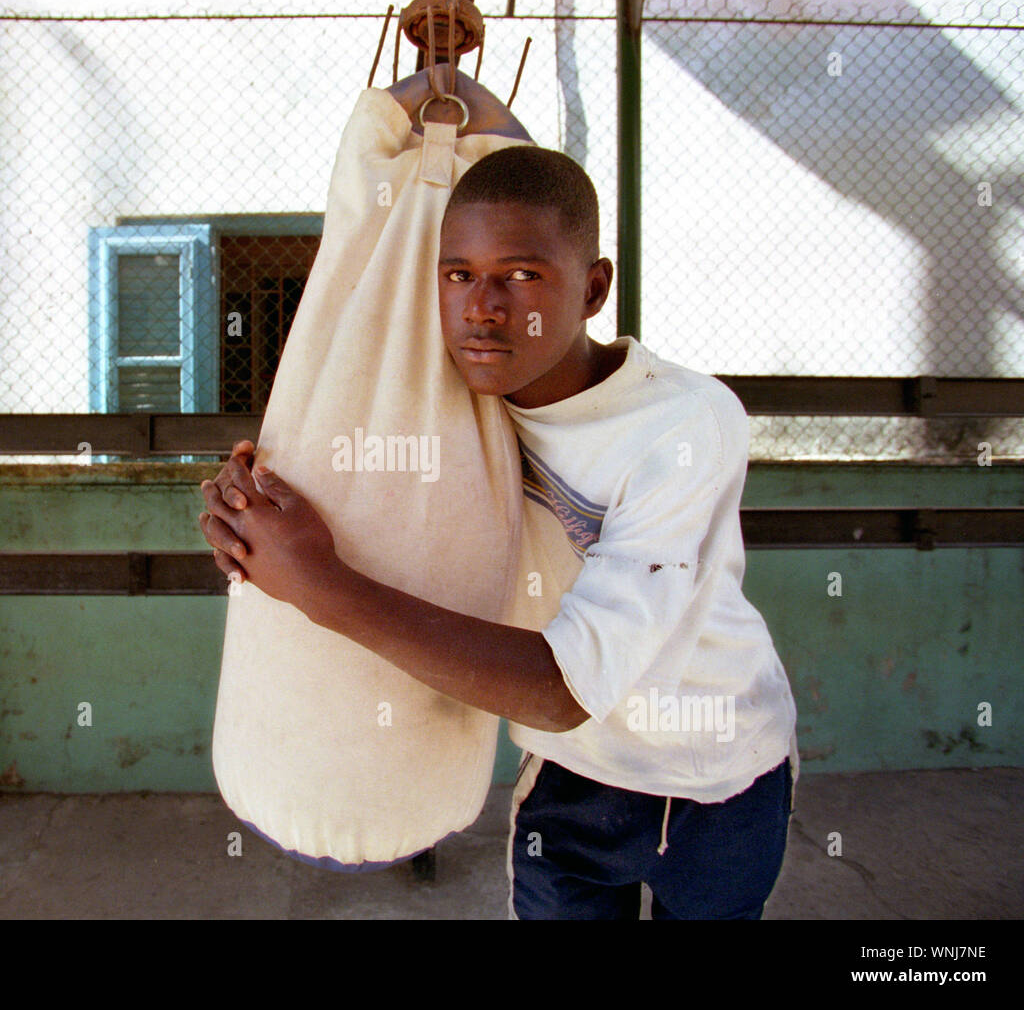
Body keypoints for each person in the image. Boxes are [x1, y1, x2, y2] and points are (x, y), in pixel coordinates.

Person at [199, 75, 798, 921]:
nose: (482, 310)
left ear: (592, 289)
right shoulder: (453, 409)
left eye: (521, 275)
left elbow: (562, 684)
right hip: (564, 771)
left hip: (714, 771)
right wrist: (439, 77)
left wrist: (318, 585)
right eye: (458, 275)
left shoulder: (684, 426)